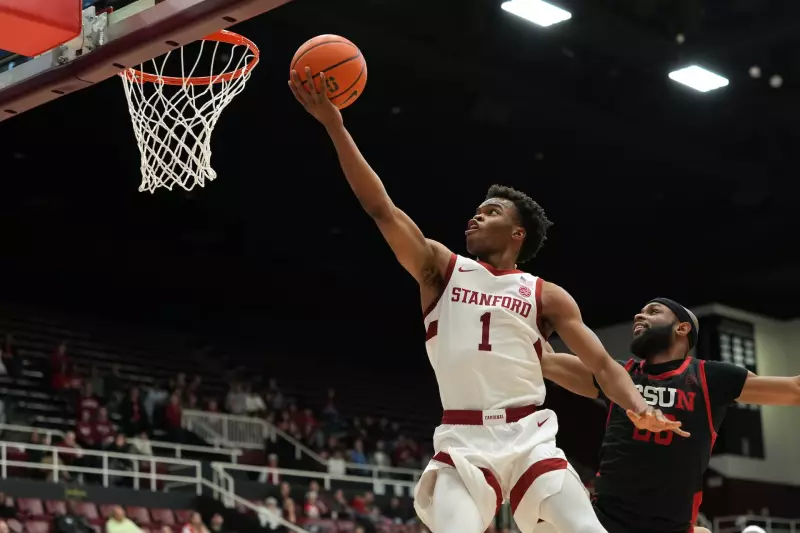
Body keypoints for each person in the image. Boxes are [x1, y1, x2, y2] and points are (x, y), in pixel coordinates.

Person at [288, 69, 683, 533]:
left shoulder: (545, 294)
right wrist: (335, 125)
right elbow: (382, 209)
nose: (476, 217)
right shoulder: (441, 268)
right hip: (463, 438)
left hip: (529, 434)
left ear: (517, 234)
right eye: (476, 211)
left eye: (491, 212)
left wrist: (640, 407)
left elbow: (601, 364)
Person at [540, 298, 800, 533]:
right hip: (605, 521)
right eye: (639, 312)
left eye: (653, 311)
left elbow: (794, 390)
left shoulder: (711, 377)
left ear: (682, 328)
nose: (639, 317)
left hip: (671, 526)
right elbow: (545, 361)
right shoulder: (618, 376)